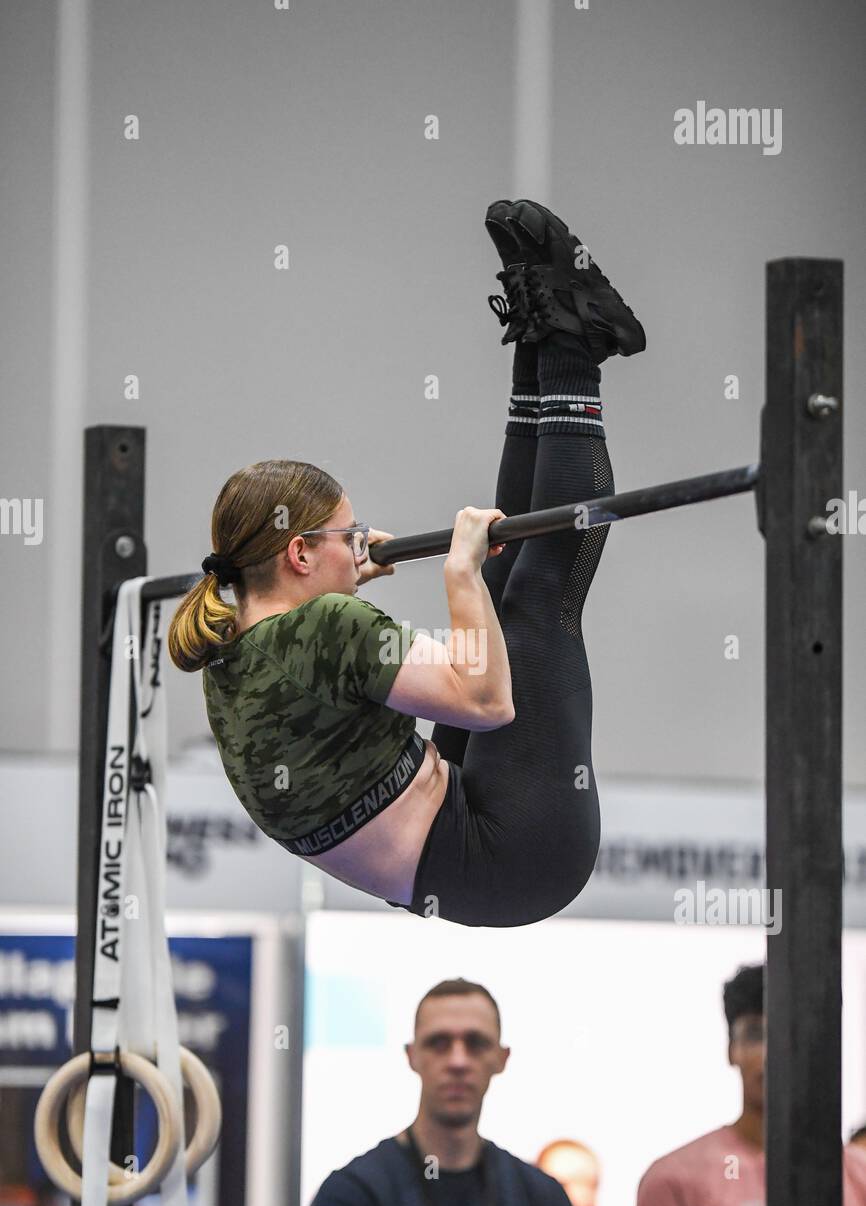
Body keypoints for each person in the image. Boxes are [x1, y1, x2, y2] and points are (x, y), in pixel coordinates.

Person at [167, 199, 645, 927]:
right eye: (346, 535)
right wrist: (453, 575)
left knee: (501, 575)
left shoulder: (230, 646)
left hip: (464, 851)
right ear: (298, 554)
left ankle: (542, 342)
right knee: (530, 600)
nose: (361, 545)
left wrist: (430, 575)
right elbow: (489, 703)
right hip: (518, 855)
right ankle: (575, 355)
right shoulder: (327, 627)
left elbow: (330, 667)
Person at [304, 978, 595, 1206]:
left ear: (501, 1058)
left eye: (476, 1043)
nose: (458, 1061)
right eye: (439, 1043)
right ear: (412, 1056)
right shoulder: (353, 1193)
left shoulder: (544, 1200)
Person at [619, 963, 866, 1206]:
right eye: (756, 1035)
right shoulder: (675, 1180)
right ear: (731, 1050)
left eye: (791, 1033)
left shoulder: (861, 1177)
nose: (773, 1054)